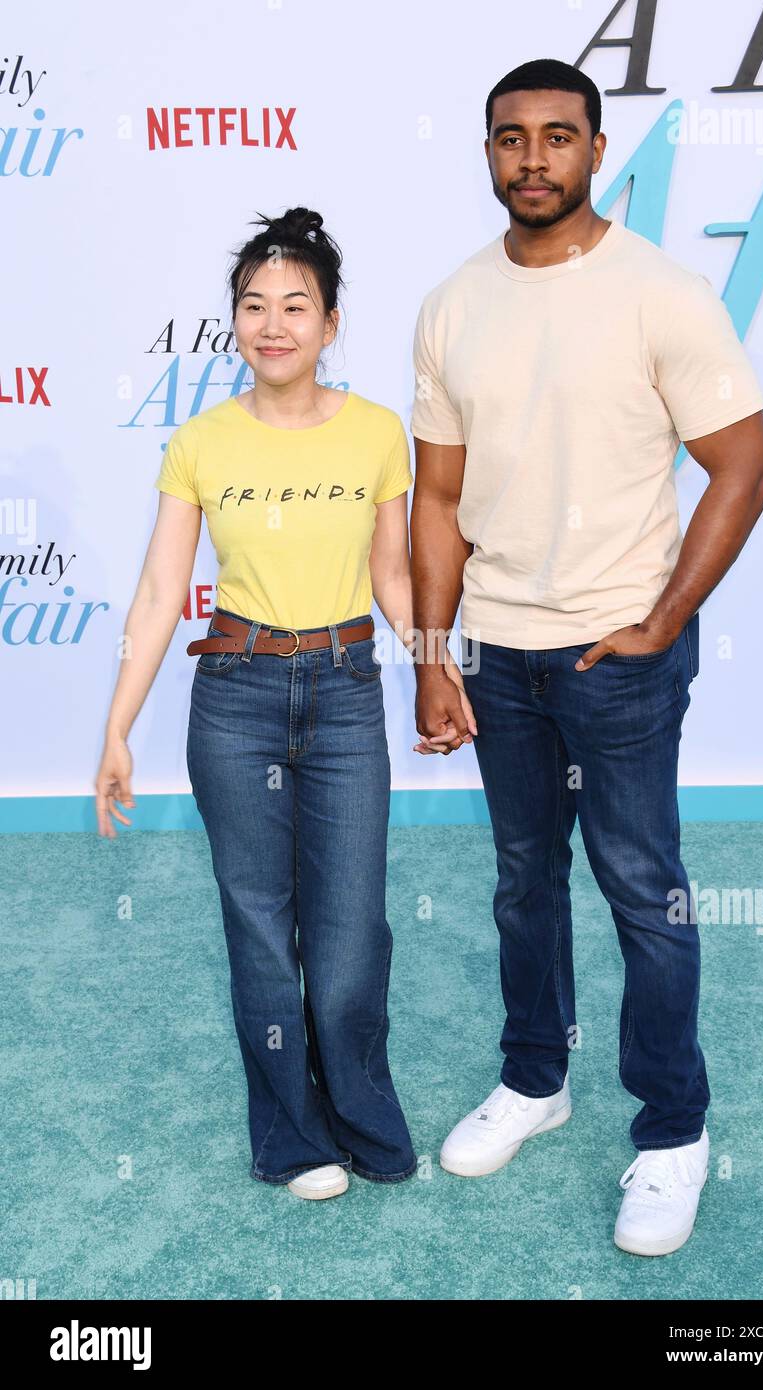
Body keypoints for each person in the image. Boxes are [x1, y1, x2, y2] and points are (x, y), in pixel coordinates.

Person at [410, 60, 763, 1255]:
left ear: (594, 148)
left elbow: (743, 460)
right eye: (509, 138)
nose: (531, 160)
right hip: (497, 654)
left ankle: (671, 1133)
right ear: (485, 153)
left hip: (615, 657)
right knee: (523, 884)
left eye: (555, 138)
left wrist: (662, 619)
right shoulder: (453, 303)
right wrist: (429, 650)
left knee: (643, 895)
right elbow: (437, 494)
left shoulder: (658, 293)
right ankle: (534, 1078)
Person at [95, 205, 473, 1200]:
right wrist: (115, 729)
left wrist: (437, 664)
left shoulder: (377, 434)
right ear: (234, 323)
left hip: (347, 696)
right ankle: (290, 1137)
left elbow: (395, 577)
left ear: (330, 324)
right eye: (254, 306)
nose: (273, 323)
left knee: (350, 935)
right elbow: (154, 593)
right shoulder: (200, 443)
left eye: (294, 305)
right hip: (235, 697)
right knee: (259, 926)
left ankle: (359, 1109)